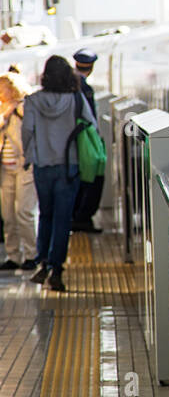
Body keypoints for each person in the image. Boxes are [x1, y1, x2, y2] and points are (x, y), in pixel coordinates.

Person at [22, 55, 96, 292]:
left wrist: (29, 155)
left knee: (46, 214)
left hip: (43, 166)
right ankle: (57, 268)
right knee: (63, 219)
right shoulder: (76, 99)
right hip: (69, 166)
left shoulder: (33, 101)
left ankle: (43, 261)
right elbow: (91, 125)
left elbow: (27, 131)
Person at [0, 72, 37, 271]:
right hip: (6, 169)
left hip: (25, 167)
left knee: (24, 212)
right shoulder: (3, 110)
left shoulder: (25, 107)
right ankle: (13, 255)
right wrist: (5, 113)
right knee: (8, 214)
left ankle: (32, 254)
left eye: (1, 88)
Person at [71, 48, 103, 233]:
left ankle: (78, 216)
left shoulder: (72, 83)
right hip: (84, 140)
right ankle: (81, 218)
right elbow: (90, 118)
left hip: (74, 140)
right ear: (90, 68)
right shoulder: (84, 87)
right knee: (90, 177)